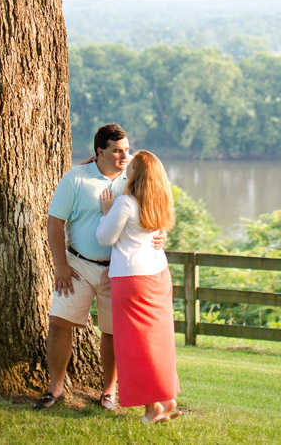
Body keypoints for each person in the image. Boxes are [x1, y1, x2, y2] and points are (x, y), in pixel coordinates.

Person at [34, 122, 131, 411]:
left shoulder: (132, 180)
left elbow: (153, 209)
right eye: (116, 151)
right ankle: (56, 387)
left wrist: (160, 232)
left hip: (117, 269)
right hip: (77, 266)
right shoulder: (76, 178)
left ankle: (108, 392)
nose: (124, 157)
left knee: (112, 332)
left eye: (126, 150)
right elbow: (55, 222)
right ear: (99, 152)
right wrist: (60, 265)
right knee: (59, 323)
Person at [96, 150, 180, 424]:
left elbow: (105, 238)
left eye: (129, 167)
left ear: (136, 175)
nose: (125, 169)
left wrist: (105, 213)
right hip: (158, 275)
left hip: (132, 279)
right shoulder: (160, 201)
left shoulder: (125, 203)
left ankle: (151, 407)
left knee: (134, 345)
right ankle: (167, 398)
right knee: (158, 341)